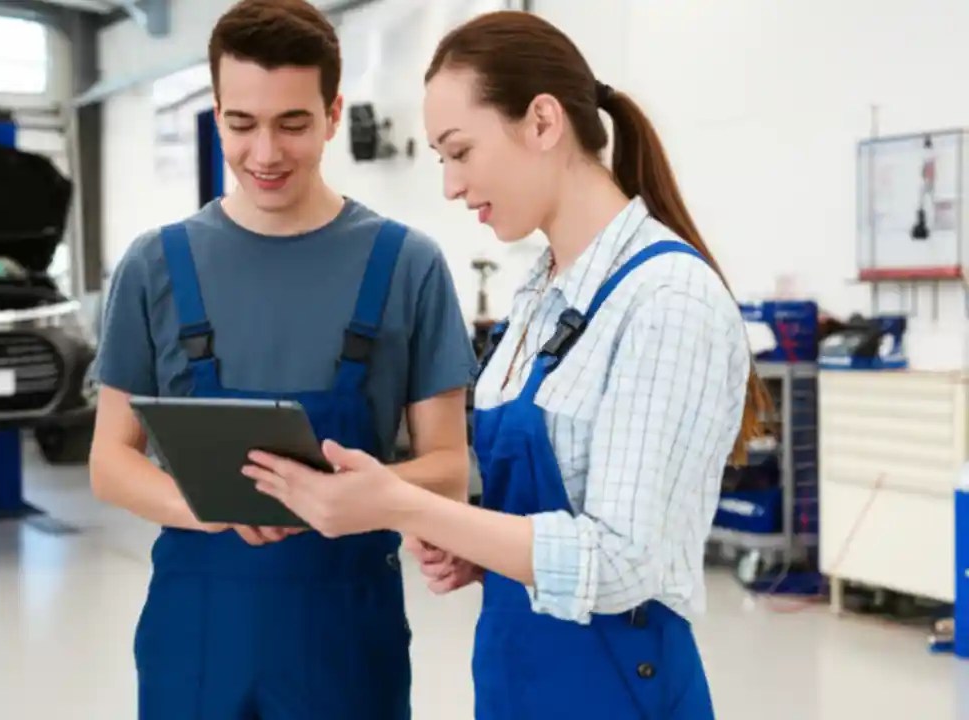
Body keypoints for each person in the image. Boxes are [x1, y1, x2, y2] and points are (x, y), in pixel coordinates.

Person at [243, 10, 772, 720]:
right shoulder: (540, 294)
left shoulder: (667, 300)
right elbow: (541, 512)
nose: (451, 186)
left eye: (460, 151)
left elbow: (619, 563)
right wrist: (477, 545)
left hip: (617, 691)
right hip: (514, 683)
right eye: (440, 158)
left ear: (543, 122)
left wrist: (402, 502)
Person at [89, 0, 478, 717]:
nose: (265, 154)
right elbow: (110, 461)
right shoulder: (155, 265)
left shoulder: (406, 265)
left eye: (293, 124)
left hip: (346, 644)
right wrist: (204, 508)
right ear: (215, 113)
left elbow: (450, 467)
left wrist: (355, 499)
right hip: (196, 640)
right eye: (241, 124)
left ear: (334, 114)